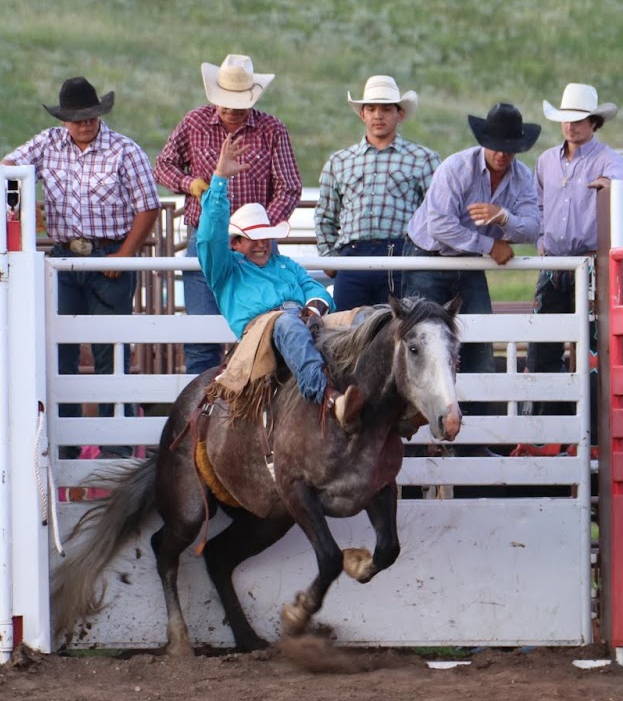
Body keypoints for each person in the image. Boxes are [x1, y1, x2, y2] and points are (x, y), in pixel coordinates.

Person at [2, 76, 160, 457]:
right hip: (65, 258)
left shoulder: (125, 150)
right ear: (65, 120)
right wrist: (18, 197)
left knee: (111, 352)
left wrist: (123, 255)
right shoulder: (47, 143)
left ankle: (115, 446)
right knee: (62, 353)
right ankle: (67, 445)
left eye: (90, 116)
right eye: (77, 118)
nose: (85, 123)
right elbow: (8, 166)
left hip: (109, 255)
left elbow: (148, 206)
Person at [197, 133, 359, 429]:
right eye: (252, 239)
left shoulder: (287, 265)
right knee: (285, 322)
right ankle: (324, 395)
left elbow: (318, 292)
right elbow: (209, 236)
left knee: (362, 317)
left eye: (265, 237)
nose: (261, 244)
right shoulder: (226, 270)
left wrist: (312, 310)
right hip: (262, 330)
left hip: (303, 321)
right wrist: (219, 179)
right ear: (234, 243)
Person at [154, 54, 302, 375]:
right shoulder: (194, 122)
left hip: (255, 245)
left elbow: (289, 187)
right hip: (208, 239)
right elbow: (163, 165)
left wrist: (257, 230)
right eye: (226, 102)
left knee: (264, 328)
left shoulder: (272, 129)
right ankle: (202, 411)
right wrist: (188, 183)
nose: (231, 108)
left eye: (238, 102)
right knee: (202, 332)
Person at [404, 103, 542, 388]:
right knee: (423, 343)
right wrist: (490, 244)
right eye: (496, 146)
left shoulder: (523, 177)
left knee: (480, 342)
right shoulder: (456, 168)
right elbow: (438, 225)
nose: (502, 153)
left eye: (509, 147)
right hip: (429, 257)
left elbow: (533, 228)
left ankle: (481, 421)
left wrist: (503, 217)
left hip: (467, 260)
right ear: (484, 143)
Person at [529, 83, 623, 382]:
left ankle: (592, 412)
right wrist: (540, 240)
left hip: (588, 263)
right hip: (552, 261)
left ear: (593, 123)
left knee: (592, 341)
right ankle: (546, 409)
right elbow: (537, 203)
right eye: (566, 120)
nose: (570, 126)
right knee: (542, 341)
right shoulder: (546, 160)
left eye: (577, 121)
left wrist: (610, 183)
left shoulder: (606, 159)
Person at [315, 76, 439, 312]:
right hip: (351, 256)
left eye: (385, 109)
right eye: (370, 109)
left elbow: (434, 212)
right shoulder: (340, 161)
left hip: (400, 253)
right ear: (362, 114)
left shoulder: (422, 159)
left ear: (399, 114)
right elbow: (325, 216)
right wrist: (329, 258)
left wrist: (421, 256)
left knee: (398, 328)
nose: (377, 115)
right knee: (347, 330)